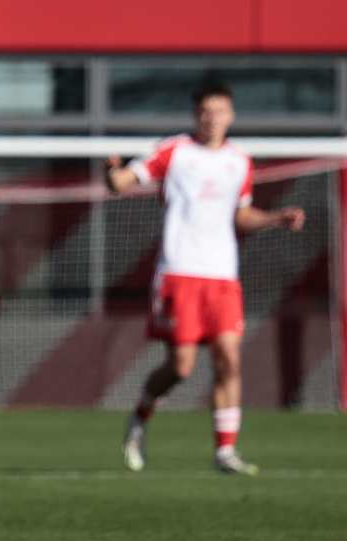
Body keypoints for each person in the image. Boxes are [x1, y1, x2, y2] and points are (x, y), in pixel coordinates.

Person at [106, 83, 305, 475]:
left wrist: (275, 218)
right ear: (196, 114)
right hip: (179, 271)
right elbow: (122, 183)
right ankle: (140, 417)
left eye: (220, 111)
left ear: (230, 116)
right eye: (206, 111)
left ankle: (225, 451)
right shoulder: (174, 151)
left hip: (223, 276)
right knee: (181, 367)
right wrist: (112, 170)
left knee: (228, 359)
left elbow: (241, 215)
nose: (213, 118)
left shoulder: (239, 161)